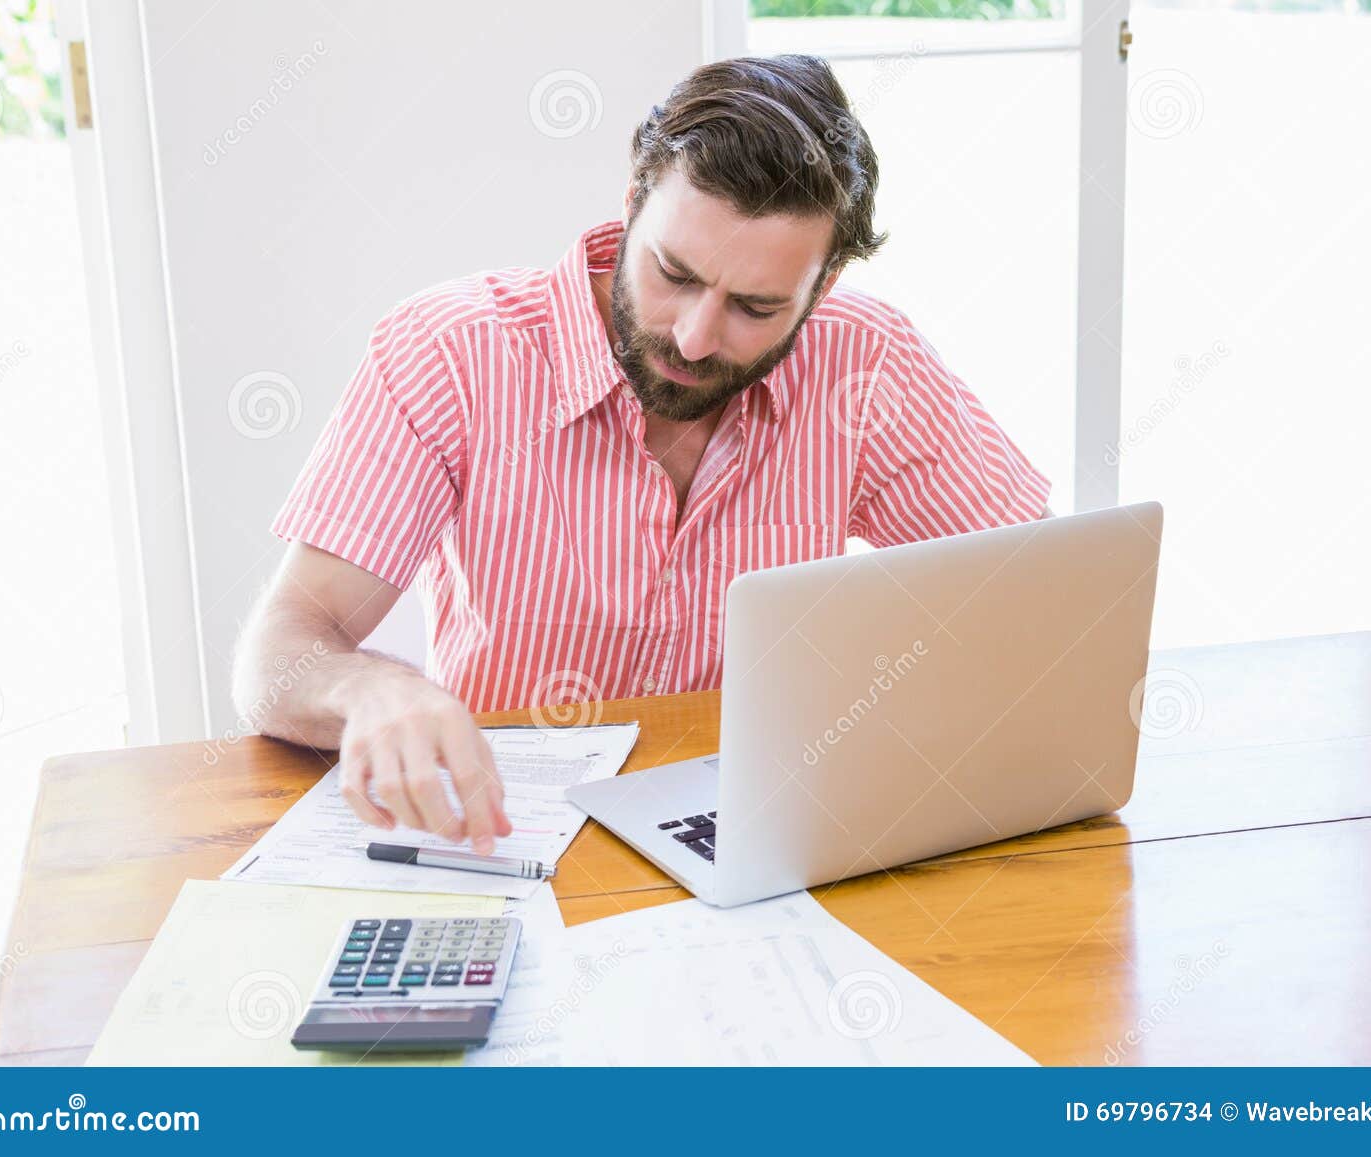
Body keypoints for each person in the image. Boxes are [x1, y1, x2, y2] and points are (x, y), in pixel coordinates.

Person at [233, 54, 1051, 855]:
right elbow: (280, 649)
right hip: (507, 838)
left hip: (760, 837)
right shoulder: (451, 352)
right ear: (633, 203)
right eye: (674, 273)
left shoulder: (866, 364)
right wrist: (372, 687)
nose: (694, 337)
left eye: (755, 307)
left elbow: (1045, 606)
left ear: (822, 285)